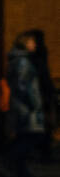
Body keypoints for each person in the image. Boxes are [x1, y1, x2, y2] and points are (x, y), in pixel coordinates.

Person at [6, 32, 45, 177]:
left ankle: (20, 168)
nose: (34, 45)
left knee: (26, 136)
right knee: (29, 136)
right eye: (32, 42)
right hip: (26, 107)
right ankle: (15, 162)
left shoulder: (19, 60)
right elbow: (23, 85)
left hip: (21, 105)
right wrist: (34, 103)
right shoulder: (23, 61)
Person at [25, 29, 55, 162]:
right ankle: (44, 151)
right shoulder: (36, 56)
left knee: (42, 125)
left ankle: (43, 151)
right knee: (42, 125)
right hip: (41, 95)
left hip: (40, 95)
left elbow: (43, 76)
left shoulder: (36, 57)